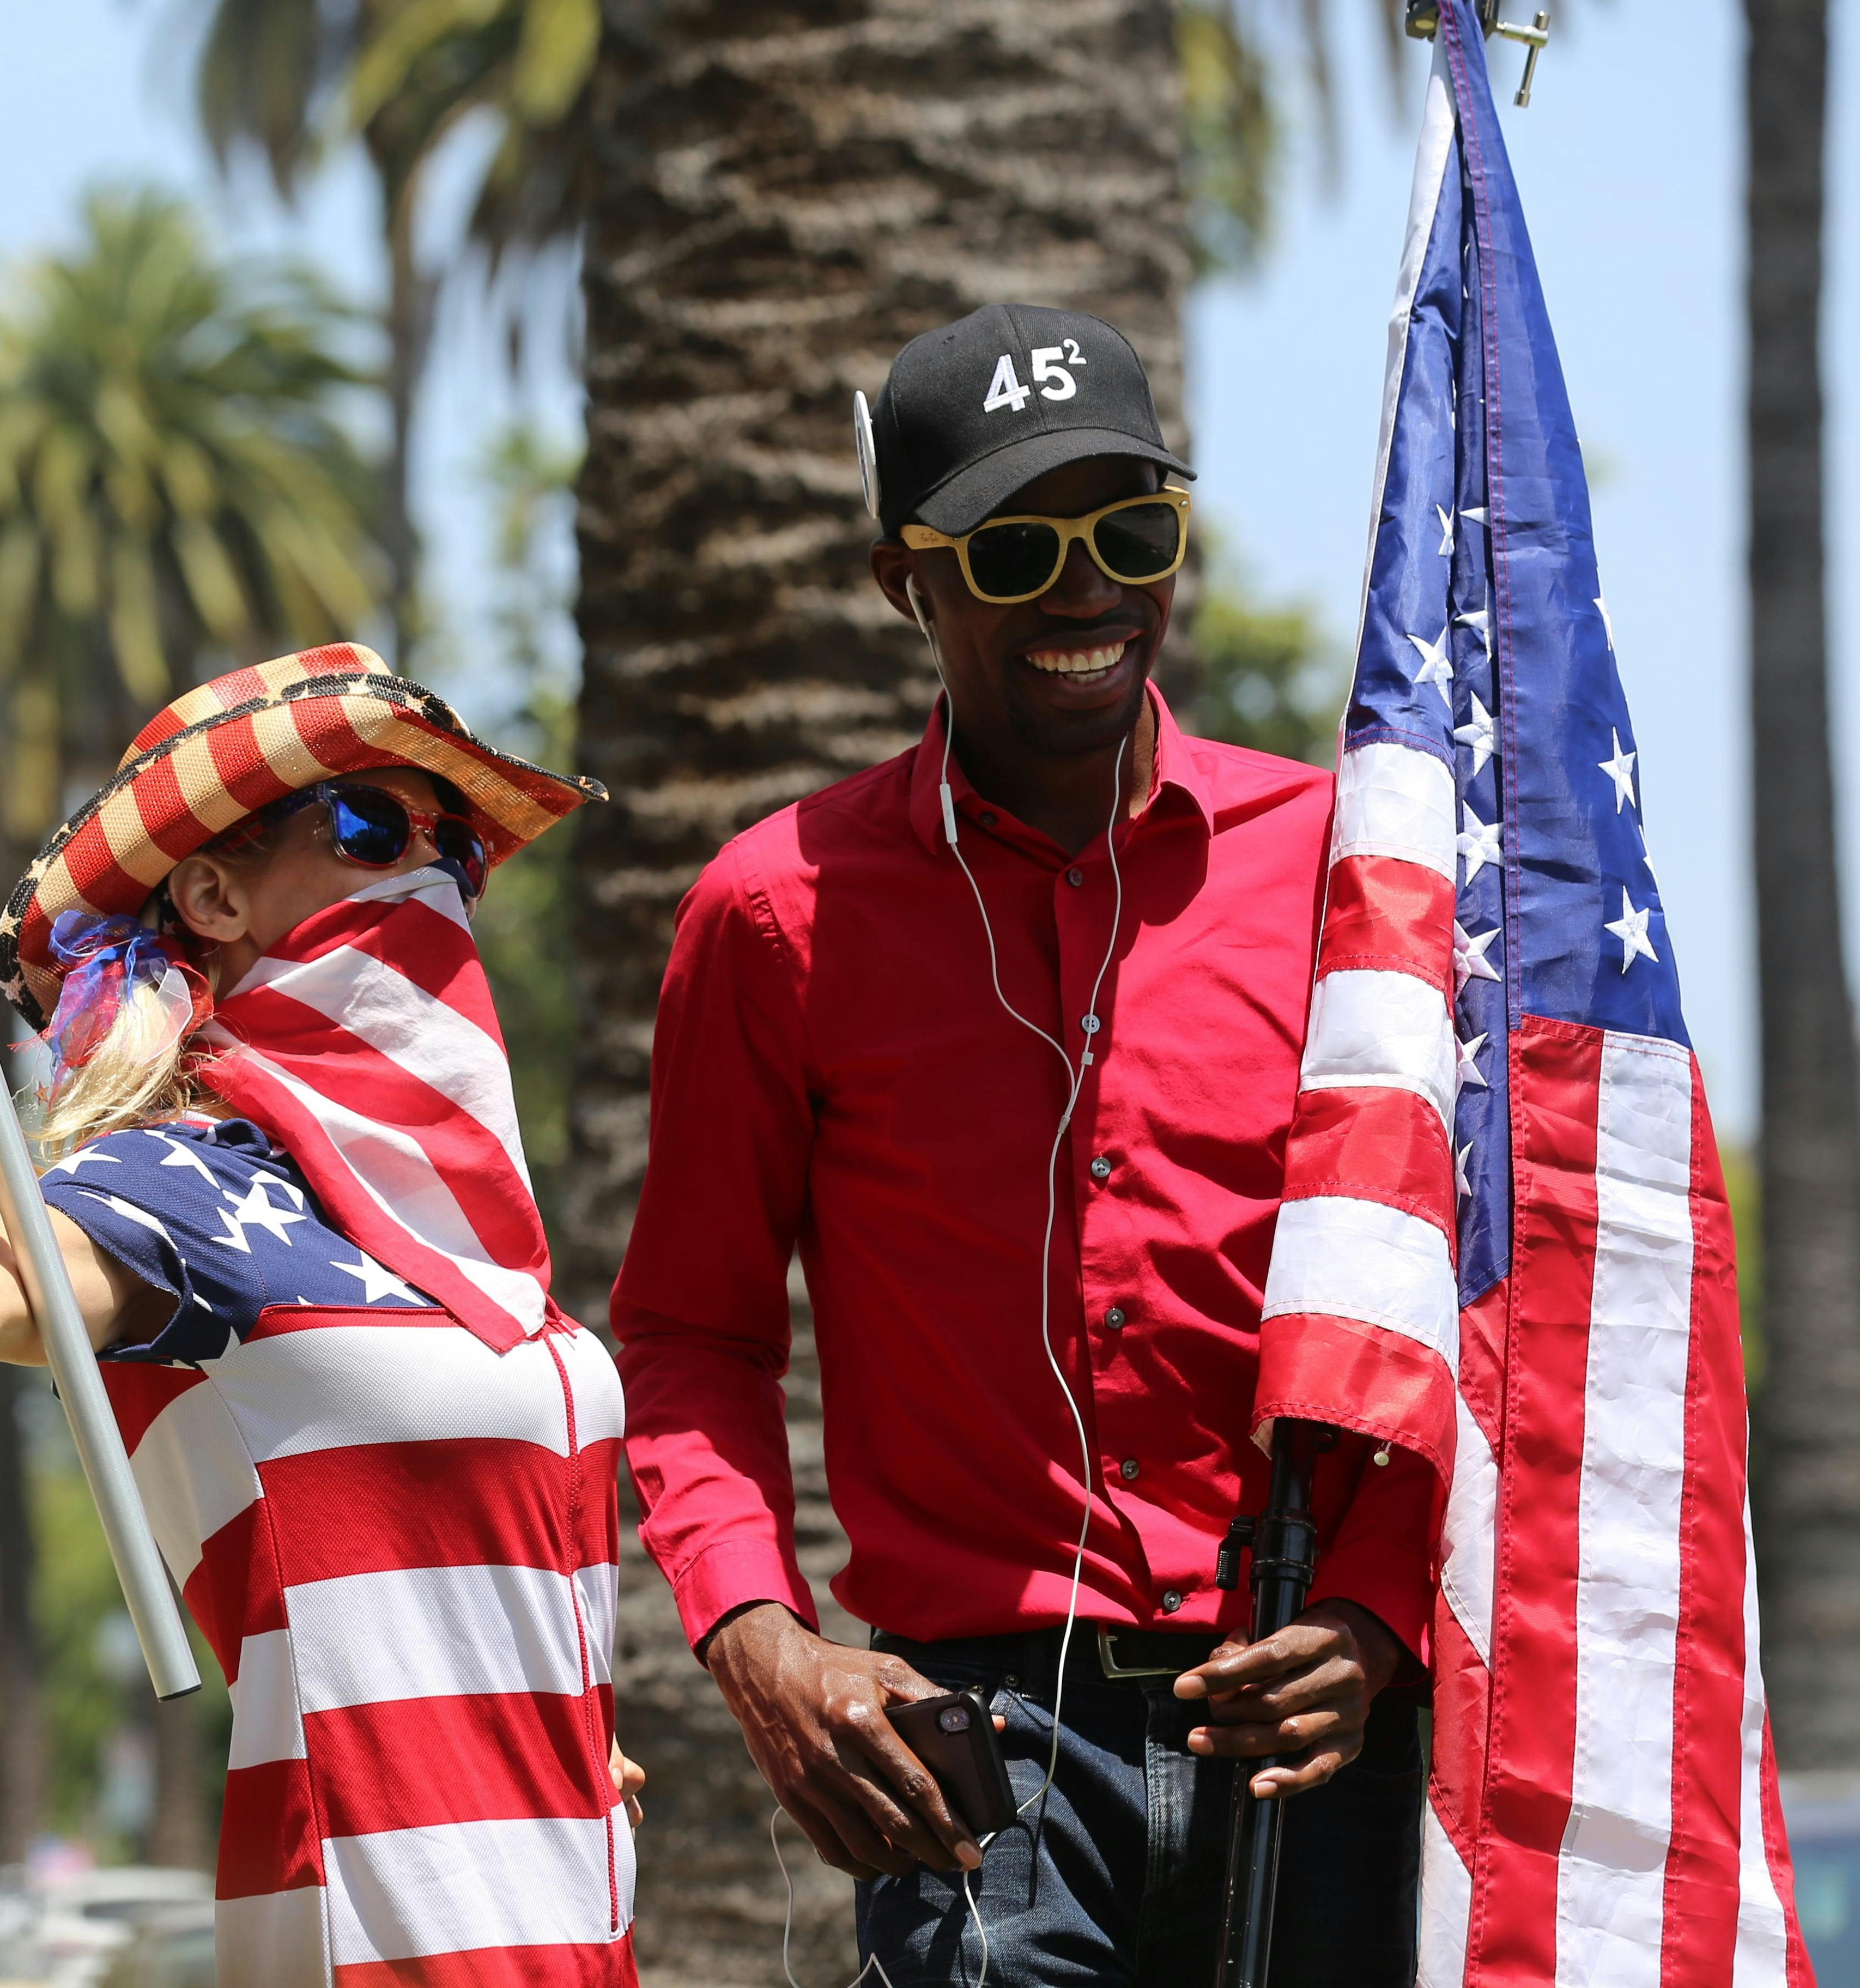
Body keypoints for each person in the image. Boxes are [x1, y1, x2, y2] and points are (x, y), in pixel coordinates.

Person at [613, 305, 1433, 1985]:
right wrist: (762, 1641)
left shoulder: (1347, 871)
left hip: (1318, 1727)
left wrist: (1375, 1608)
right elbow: (690, 1336)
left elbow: (1460, 1292)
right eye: (1013, 546)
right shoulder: (774, 916)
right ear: (902, 581)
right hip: (971, 1745)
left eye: (1131, 528)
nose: (1086, 588)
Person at [0, 645, 643, 1988]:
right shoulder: (187, 1182)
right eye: (370, 826)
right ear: (212, 892)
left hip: (569, 1932)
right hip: (372, 1943)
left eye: (456, 848)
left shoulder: (467, 1235)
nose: (429, 871)